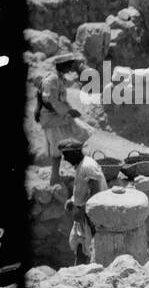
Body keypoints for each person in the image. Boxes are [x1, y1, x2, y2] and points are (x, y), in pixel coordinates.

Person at [37, 53, 91, 186]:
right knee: (56, 149)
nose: (70, 69)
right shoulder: (51, 79)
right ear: (63, 66)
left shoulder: (59, 77)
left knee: (82, 133)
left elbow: (61, 94)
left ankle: (79, 170)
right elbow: (48, 99)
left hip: (60, 118)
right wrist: (67, 111)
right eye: (69, 66)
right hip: (52, 120)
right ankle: (55, 178)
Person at [61, 140, 106, 265]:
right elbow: (84, 189)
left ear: (75, 153)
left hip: (90, 215)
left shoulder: (87, 166)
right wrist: (72, 201)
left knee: (89, 246)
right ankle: (80, 269)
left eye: (66, 155)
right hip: (84, 214)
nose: (64, 159)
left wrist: (83, 209)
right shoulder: (82, 165)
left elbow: (96, 193)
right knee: (81, 243)